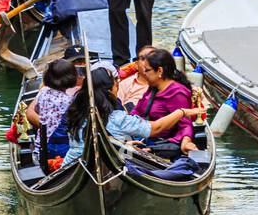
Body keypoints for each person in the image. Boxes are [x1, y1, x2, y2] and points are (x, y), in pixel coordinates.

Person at [61, 65, 203, 167]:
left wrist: (122, 145)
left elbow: (96, 144)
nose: (118, 86)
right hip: (103, 166)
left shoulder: (75, 112)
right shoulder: (117, 119)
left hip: (71, 165)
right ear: (110, 90)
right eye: (116, 84)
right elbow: (155, 128)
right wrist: (181, 112)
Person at [134, 47, 198, 152]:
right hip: (141, 137)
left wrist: (186, 141)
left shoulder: (177, 93)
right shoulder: (153, 87)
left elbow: (185, 125)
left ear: (159, 71)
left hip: (160, 145)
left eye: (147, 70)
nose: (144, 73)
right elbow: (138, 109)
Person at [25, 57, 79, 164]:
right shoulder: (70, 101)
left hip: (40, 146)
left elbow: (37, 109)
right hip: (61, 150)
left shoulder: (43, 92)